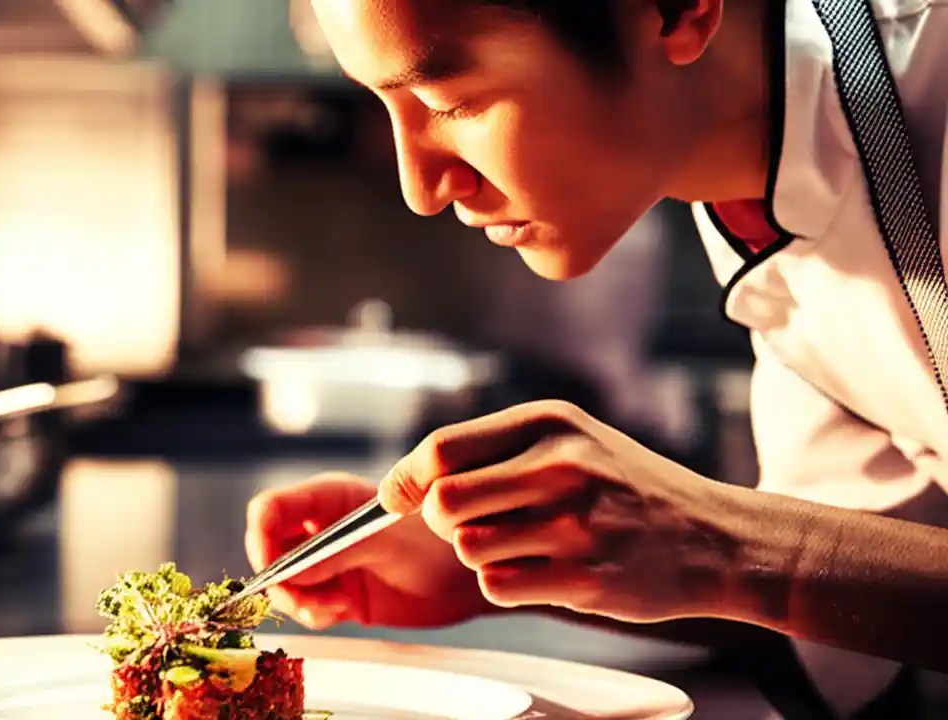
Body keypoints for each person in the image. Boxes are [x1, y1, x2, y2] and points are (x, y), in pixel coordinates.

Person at [244, 0, 948, 717]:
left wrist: (719, 540)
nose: (422, 189)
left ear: (677, 12)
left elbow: (784, 561)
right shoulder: (758, 209)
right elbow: (866, 607)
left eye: (451, 101)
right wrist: (515, 560)